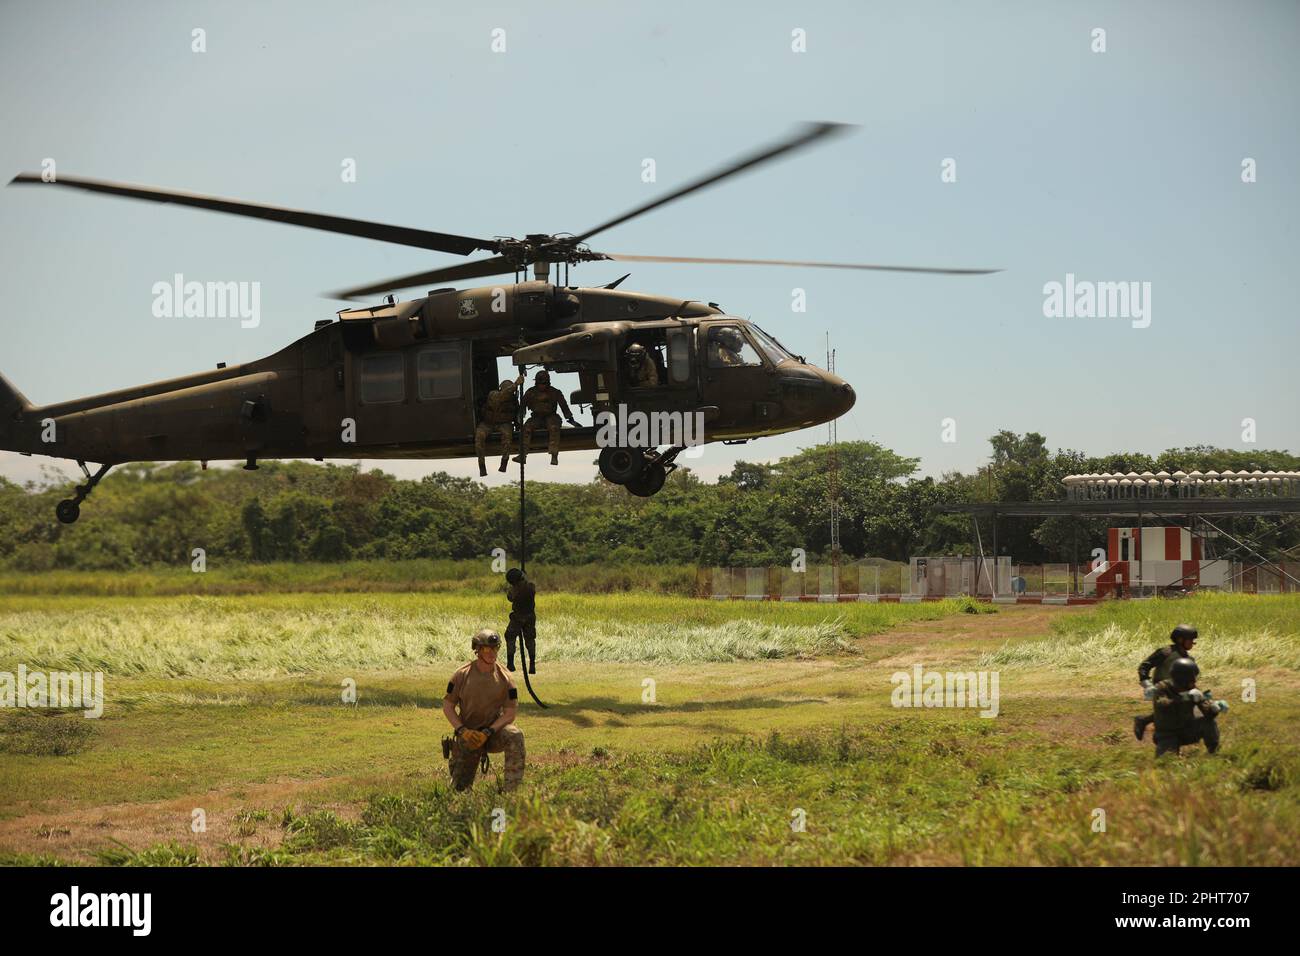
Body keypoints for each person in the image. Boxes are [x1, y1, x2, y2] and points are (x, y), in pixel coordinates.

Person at [442, 628, 525, 791]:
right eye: (487, 648)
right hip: (469, 735)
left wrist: (488, 732)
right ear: (478, 650)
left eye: (495, 648)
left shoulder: (506, 678)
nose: (492, 653)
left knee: (515, 735)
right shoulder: (461, 675)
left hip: (493, 734)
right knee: (460, 790)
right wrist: (462, 731)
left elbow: (510, 713)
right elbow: (448, 706)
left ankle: (511, 792)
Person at [1151, 657, 1227, 757]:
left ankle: (1214, 751)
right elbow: (1163, 704)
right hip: (1167, 734)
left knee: (1208, 723)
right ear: (1182, 680)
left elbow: (1206, 712)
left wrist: (1213, 709)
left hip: (1187, 729)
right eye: (1191, 679)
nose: (1194, 682)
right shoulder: (1161, 688)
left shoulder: (1193, 689)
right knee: (1165, 762)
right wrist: (1185, 697)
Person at [1134, 624, 1197, 740]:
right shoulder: (1166, 652)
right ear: (1180, 639)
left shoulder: (1189, 659)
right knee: (1167, 714)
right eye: (1190, 639)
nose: (1192, 642)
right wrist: (1147, 685)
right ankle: (1162, 741)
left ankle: (1144, 721)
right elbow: (1144, 667)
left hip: (1178, 690)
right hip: (1162, 690)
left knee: (1182, 712)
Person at [518, 369, 579, 466]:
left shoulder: (555, 392)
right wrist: (519, 420)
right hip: (536, 418)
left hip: (551, 416)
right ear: (536, 383)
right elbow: (522, 407)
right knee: (527, 429)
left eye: (544, 383)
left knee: (554, 428)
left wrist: (571, 420)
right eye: (540, 383)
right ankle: (522, 455)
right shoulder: (530, 392)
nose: (542, 385)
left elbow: (564, 406)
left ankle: (554, 455)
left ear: (548, 383)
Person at [474, 372, 524, 476]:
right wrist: (515, 384)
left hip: (504, 423)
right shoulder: (494, 394)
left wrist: (518, 424)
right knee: (479, 437)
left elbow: (516, 413)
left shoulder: (513, 400)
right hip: (488, 423)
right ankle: (481, 465)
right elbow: (503, 396)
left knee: (507, 437)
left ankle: (504, 462)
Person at [503, 567, 537, 673]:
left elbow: (510, 598)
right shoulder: (530, 587)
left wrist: (513, 586)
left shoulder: (514, 590)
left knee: (510, 636)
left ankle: (510, 663)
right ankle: (532, 664)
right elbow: (530, 585)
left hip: (518, 617)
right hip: (530, 617)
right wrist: (524, 576)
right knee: (530, 639)